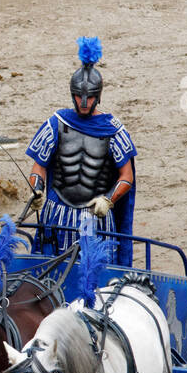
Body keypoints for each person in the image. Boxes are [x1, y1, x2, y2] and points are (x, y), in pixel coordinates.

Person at [25, 37, 137, 266]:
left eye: (90, 97)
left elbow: (127, 176)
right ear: (72, 94)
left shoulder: (114, 130)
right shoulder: (55, 123)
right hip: (57, 216)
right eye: (79, 96)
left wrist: (108, 200)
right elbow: (39, 165)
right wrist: (36, 189)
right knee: (48, 274)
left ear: (98, 96)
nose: (84, 102)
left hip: (95, 219)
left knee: (95, 279)